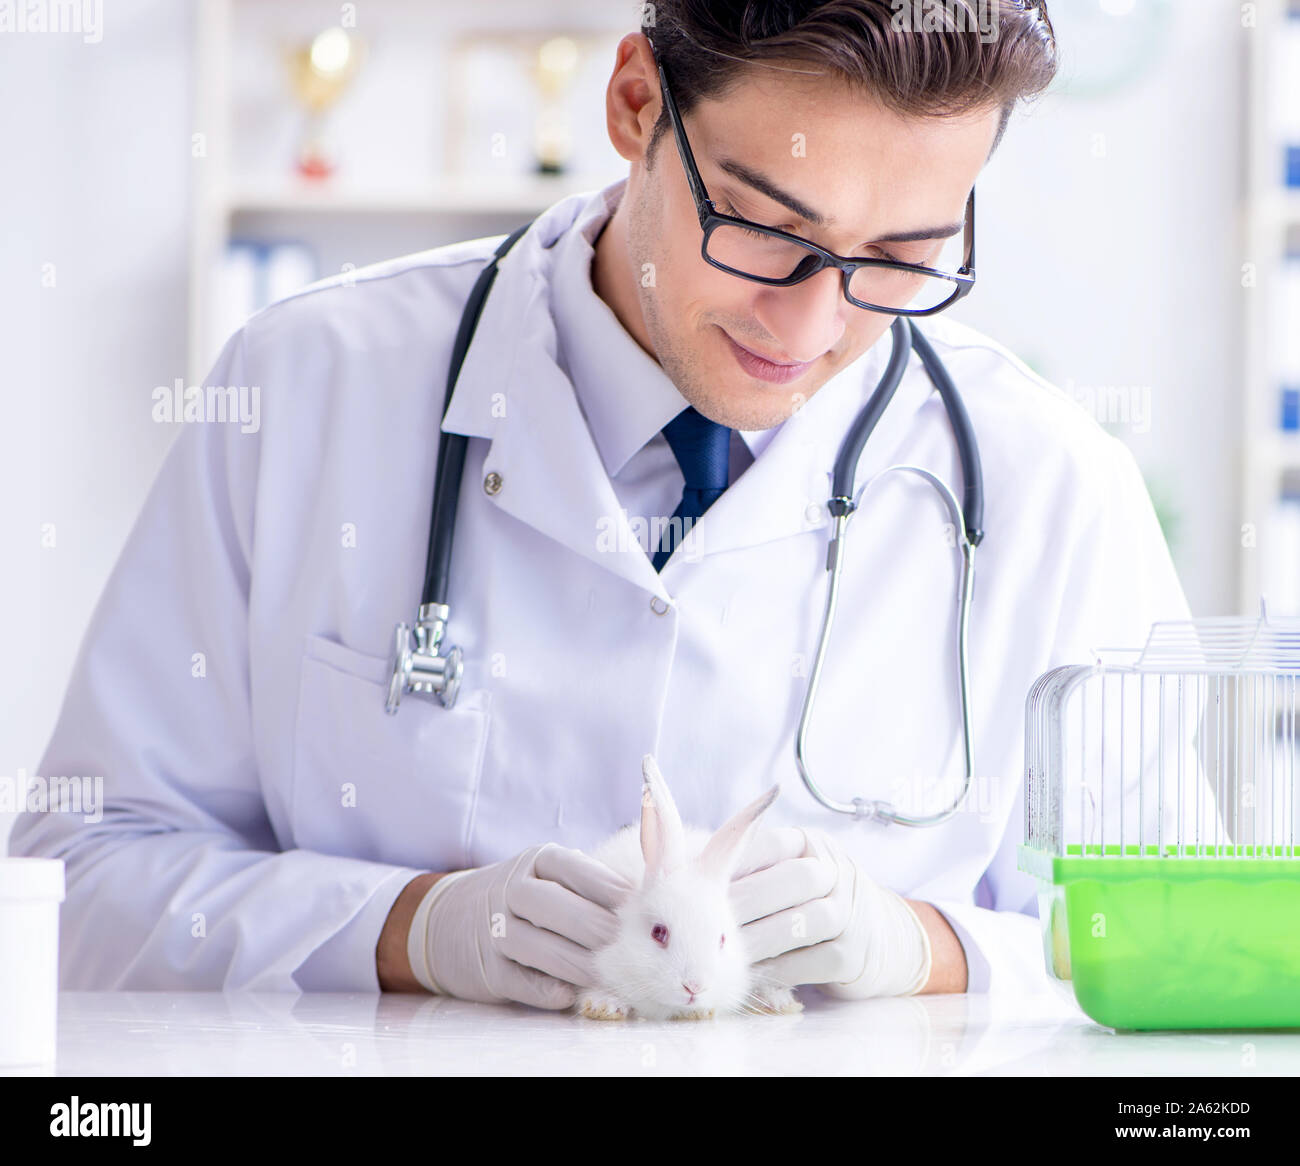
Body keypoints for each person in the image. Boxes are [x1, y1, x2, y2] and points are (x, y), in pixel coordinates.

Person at [12, 1, 1190, 1007]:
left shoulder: (1052, 488)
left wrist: (927, 948)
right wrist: (407, 929)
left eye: (902, 255)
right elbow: (81, 882)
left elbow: (1180, 953)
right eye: (768, 230)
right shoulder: (307, 385)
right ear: (635, 103)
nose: (812, 324)